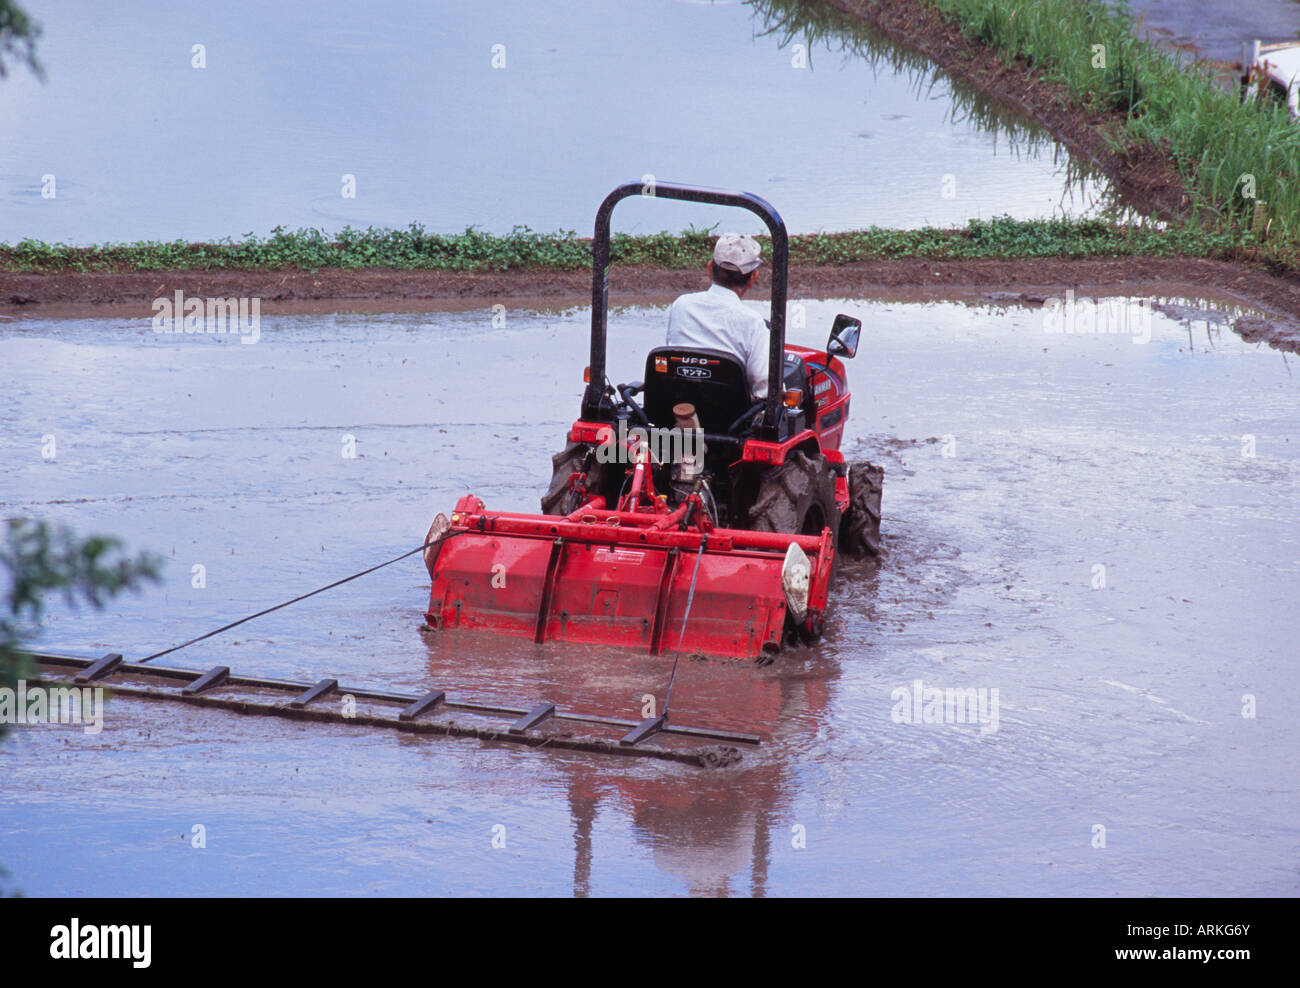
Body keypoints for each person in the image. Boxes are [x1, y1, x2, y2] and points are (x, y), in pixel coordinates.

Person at [665, 232, 769, 401]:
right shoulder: (752, 322)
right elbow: (765, 388)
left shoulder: (681, 305)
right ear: (753, 278)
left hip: (679, 407)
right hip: (732, 421)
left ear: (709, 269)